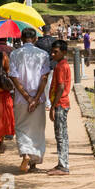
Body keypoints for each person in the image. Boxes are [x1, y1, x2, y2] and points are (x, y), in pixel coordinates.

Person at [9, 28, 52, 173]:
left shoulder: (14, 54)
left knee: (21, 127)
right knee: (37, 130)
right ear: (34, 39)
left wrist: (27, 97)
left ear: (21, 39)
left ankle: (25, 153)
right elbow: (44, 78)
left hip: (21, 99)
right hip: (38, 99)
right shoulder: (43, 54)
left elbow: (13, 77)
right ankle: (33, 162)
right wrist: (35, 98)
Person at [46, 40, 73, 176]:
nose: (52, 54)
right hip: (61, 103)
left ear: (63, 52)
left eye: (56, 52)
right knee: (62, 134)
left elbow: (61, 87)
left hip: (60, 104)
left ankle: (63, 165)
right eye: (52, 51)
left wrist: (53, 106)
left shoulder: (61, 66)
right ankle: (62, 162)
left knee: (60, 135)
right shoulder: (61, 65)